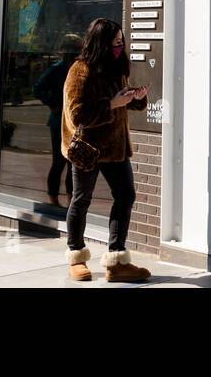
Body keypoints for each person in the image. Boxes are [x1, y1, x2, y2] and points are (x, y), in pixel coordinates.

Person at [62, 18, 151, 282]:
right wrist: (110, 104)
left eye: (121, 42)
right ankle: (76, 255)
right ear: (100, 42)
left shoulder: (117, 67)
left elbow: (121, 101)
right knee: (81, 200)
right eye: (114, 42)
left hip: (115, 148)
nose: (119, 46)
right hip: (88, 149)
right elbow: (76, 114)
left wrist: (136, 97)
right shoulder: (80, 70)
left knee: (126, 196)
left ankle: (116, 260)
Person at [34, 34, 79, 206]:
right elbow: (38, 88)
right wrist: (52, 103)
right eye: (73, 49)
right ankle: (53, 198)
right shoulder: (57, 68)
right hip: (58, 120)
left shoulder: (78, 67)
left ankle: (70, 198)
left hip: (74, 121)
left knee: (72, 161)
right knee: (59, 161)